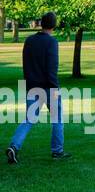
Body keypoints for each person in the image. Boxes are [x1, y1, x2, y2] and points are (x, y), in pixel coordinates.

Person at [7, 12, 68, 163]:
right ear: (54, 25)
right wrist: (55, 89)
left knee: (29, 119)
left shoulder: (29, 41)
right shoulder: (52, 42)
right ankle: (57, 151)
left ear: (41, 24)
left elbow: (26, 65)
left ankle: (14, 146)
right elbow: (52, 68)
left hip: (31, 86)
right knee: (57, 119)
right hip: (48, 87)